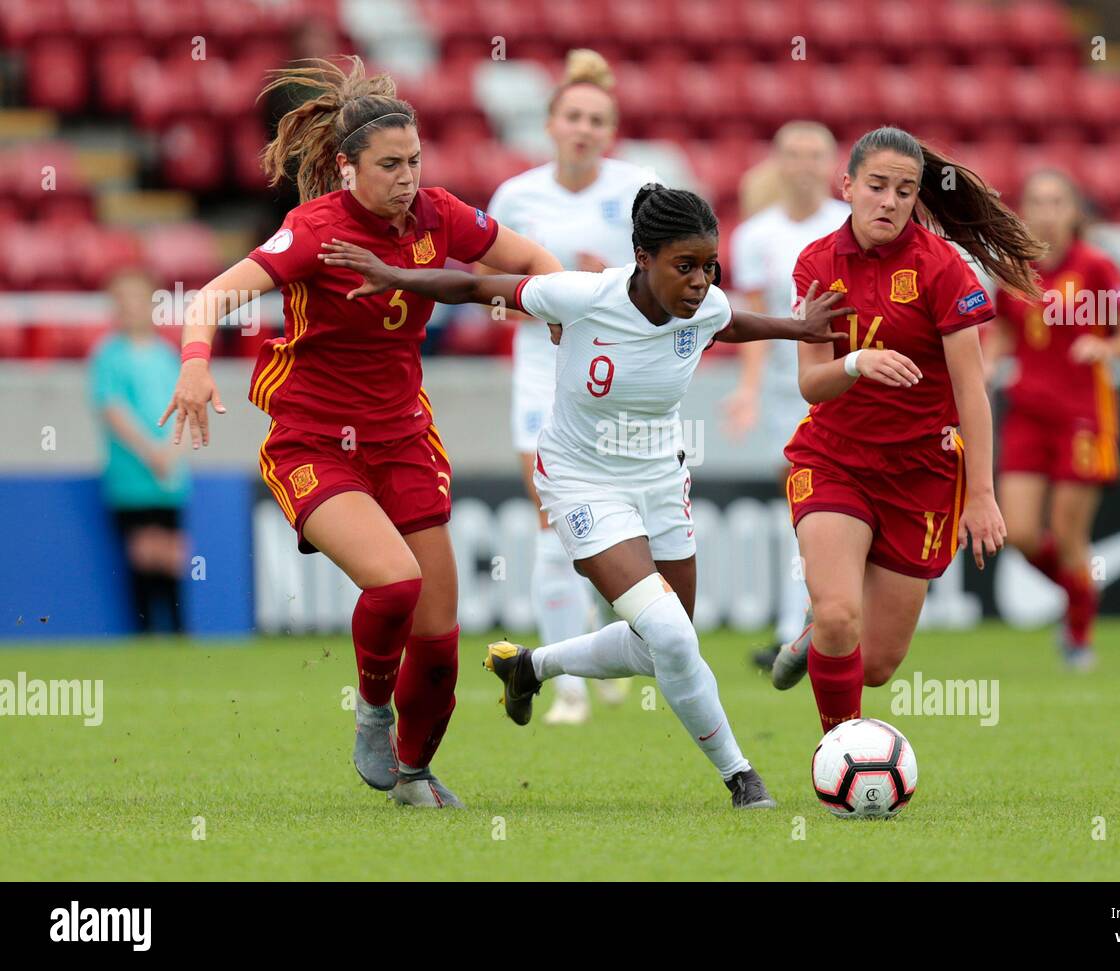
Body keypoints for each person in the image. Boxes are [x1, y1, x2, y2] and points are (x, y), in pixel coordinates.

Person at [318, 183, 851, 809]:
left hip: (661, 481)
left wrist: (799, 327)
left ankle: (530, 667)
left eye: (710, 266)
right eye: (685, 266)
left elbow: (730, 323)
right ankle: (741, 777)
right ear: (642, 256)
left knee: (666, 642)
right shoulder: (580, 296)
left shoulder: (703, 307)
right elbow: (474, 288)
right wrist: (394, 275)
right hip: (580, 482)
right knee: (673, 639)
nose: (701, 281)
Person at [157, 56, 562, 809]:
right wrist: (193, 364)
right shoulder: (313, 230)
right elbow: (211, 296)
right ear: (346, 169)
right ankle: (371, 710)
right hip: (312, 439)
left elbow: (531, 262)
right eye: (389, 165)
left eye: (414, 161)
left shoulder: (439, 215)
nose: (407, 177)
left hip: (402, 437)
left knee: (441, 636)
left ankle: (414, 771)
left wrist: (561, 307)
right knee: (396, 581)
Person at [765, 126, 1045, 736]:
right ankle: (839, 755)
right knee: (842, 617)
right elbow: (811, 384)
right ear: (847, 187)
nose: (888, 201)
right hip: (833, 458)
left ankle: (816, 638)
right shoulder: (817, 262)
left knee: (878, 664)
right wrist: (855, 363)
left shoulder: (940, 267)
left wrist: (981, 494)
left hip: (921, 474)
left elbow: (973, 391)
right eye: (876, 186)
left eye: (904, 190)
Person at [484, 49, 650, 725]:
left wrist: (607, 282)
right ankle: (570, 685)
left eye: (597, 119)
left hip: (615, 377)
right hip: (539, 372)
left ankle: (599, 638)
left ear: (611, 132)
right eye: (573, 116)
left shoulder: (642, 188)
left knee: (612, 528)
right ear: (551, 123)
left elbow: (676, 282)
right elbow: (492, 291)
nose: (583, 128)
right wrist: (546, 297)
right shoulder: (517, 197)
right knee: (553, 521)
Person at [984, 168, 1120, 670]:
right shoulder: (1014, 268)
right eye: (1037, 201)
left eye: (1057, 202)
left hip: (1082, 416)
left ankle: (1078, 636)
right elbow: (1006, 334)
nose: (1046, 211)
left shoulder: (1096, 267)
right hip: (1027, 413)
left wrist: (1106, 343)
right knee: (1020, 532)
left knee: (1069, 532)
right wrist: (986, 364)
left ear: (1074, 211)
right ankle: (1082, 596)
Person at [718, 121, 850, 669]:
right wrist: (747, 391)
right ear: (777, 163)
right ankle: (796, 622)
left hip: (842, 381)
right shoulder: (755, 236)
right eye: (792, 154)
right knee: (800, 503)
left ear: (831, 165)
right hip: (782, 390)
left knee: (836, 501)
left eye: (813, 154)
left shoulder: (849, 228)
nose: (803, 164)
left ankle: (824, 618)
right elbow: (751, 323)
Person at [90, 267, 192, 634]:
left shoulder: (168, 354)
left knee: (173, 561)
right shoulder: (108, 356)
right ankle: (145, 636)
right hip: (132, 479)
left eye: (137, 298)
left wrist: (171, 452)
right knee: (142, 561)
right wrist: (151, 451)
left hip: (170, 477)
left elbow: (185, 404)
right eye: (123, 300)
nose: (131, 307)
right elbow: (112, 409)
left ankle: (180, 636)